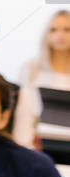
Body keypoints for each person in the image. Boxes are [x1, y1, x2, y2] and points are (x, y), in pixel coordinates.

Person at [13, 9, 70, 147]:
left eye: (67, 30)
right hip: (36, 140)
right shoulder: (31, 68)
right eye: (53, 30)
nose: (60, 35)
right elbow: (21, 107)